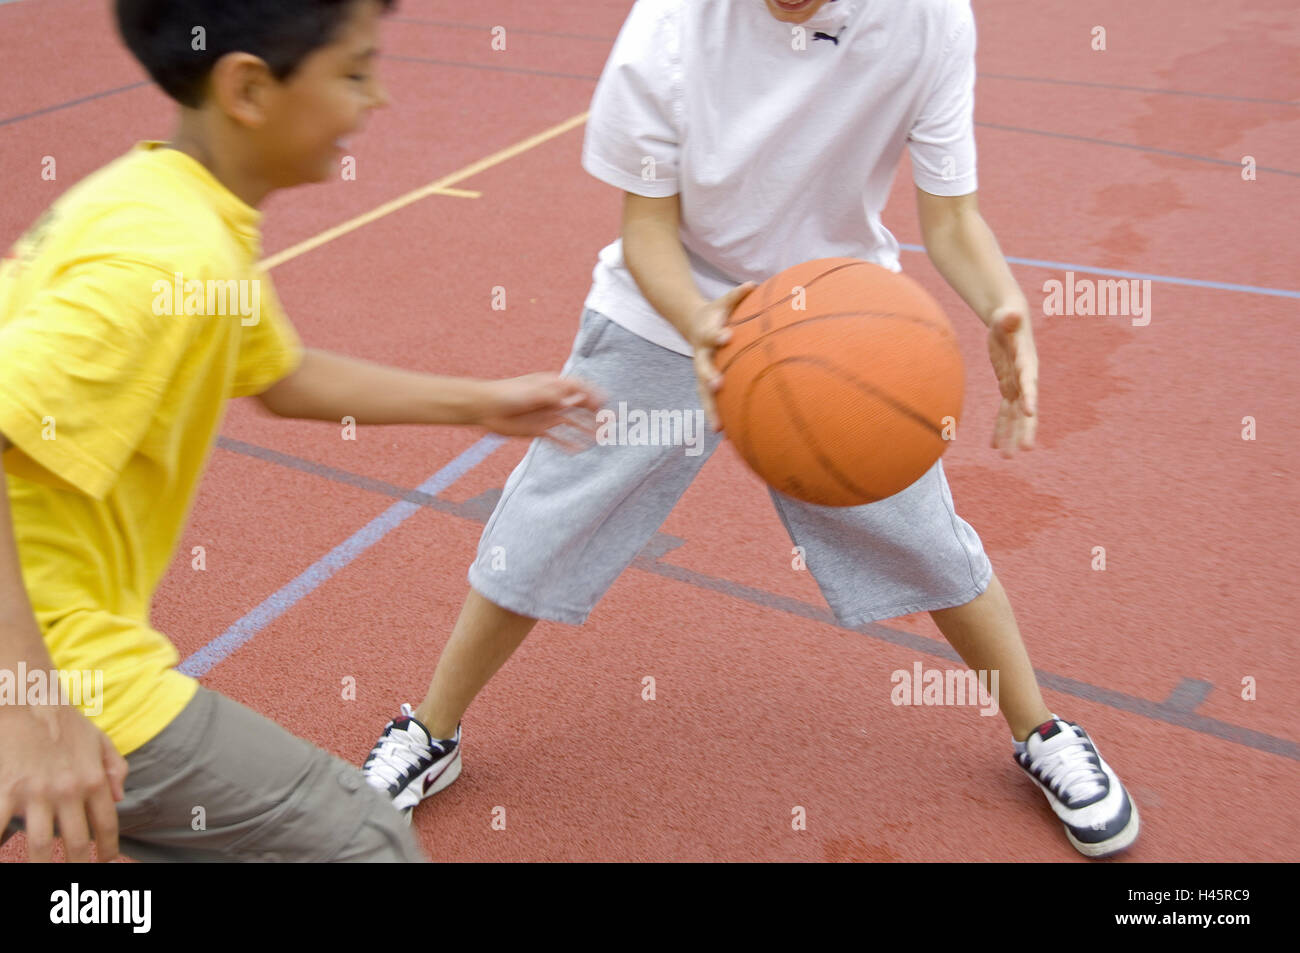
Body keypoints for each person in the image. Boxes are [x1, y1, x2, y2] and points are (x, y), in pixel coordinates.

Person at [364, 0, 1140, 858]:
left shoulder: (929, 20)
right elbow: (647, 228)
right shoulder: (667, 26)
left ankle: (1042, 730)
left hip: (839, 323)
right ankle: (431, 733)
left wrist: (1003, 306)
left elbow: (951, 217)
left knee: (929, 543)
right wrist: (703, 322)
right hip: (672, 309)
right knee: (543, 527)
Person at [0, 0, 599, 863]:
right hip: (58, 662)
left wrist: (480, 403)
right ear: (247, 87)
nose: (378, 99)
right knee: (362, 839)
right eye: (355, 72)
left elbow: (280, 377)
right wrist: (35, 711)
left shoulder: (160, 201)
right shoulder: (168, 259)